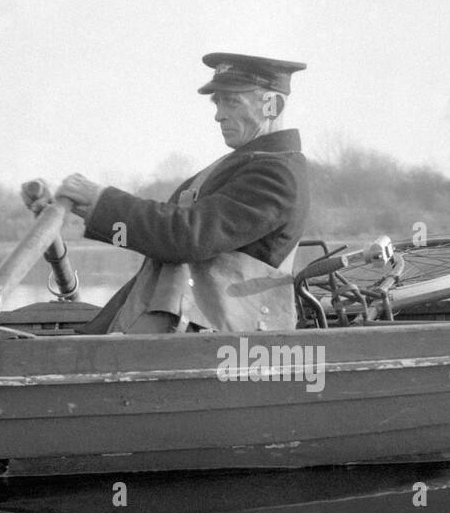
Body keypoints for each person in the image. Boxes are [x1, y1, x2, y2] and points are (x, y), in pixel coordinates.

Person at [53, 52, 309, 333]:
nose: (218, 114)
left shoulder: (276, 175)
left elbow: (182, 238)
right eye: (218, 101)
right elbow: (156, 238)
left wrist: (101, 201)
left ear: (273, 105)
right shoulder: (241, 167)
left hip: (219, 343)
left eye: (232, 101)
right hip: (185, 333)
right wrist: (87, 208)